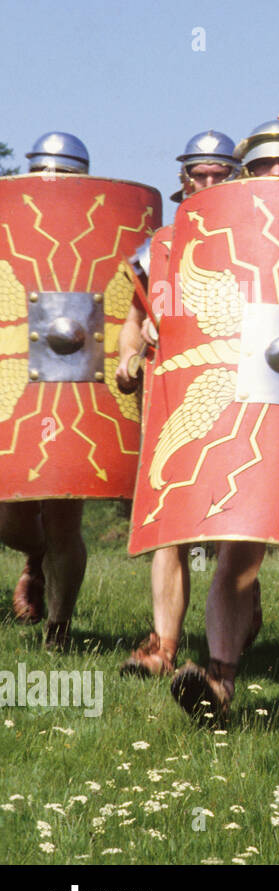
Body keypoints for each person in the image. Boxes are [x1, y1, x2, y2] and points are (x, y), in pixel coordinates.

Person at [168, 118, 279, 721]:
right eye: (265, 166)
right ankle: (219, 680)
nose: (277, 175)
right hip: (244, 392)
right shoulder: (228, 231)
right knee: (237, 545)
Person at [118, 131, 243, 678]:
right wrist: (129, 358)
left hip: (240, 398)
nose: (210, 183)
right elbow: (132, 322)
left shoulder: (257, 243)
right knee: (169, 524)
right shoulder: (159, 249)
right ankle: (164, 649)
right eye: (201, 174)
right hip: (173, 397)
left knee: (232, 523)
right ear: (184, 181)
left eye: (221, 173)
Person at [0, 133, 94, 649]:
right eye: (47, 171)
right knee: (11, 517)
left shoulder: (101, 235)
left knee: (63, 516)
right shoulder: (10, 225)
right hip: (15, 377)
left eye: (66, 173)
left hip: (78, 384)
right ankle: (33, 558)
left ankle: (59, 628)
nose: (55, 181)